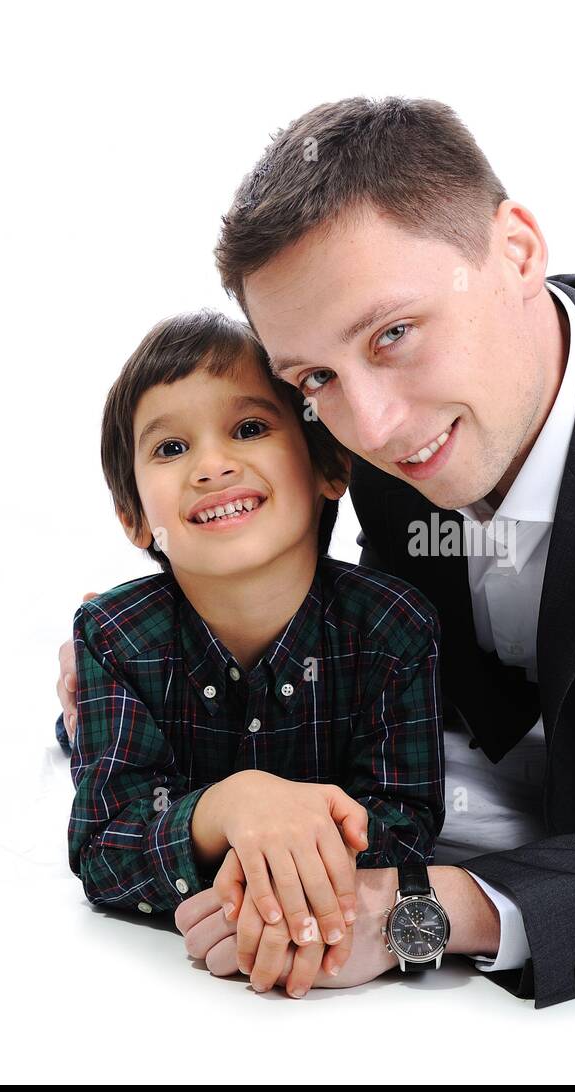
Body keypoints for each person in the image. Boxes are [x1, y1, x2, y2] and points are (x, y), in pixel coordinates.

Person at [57, 97, 575, 1009]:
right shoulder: (372, 425)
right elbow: (328, 629)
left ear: (517, 250)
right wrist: (142, 662)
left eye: (394, 334)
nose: (373, 426)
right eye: (314, 378)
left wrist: (419, 911)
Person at [61, 308, 446, 999]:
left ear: (328, 463)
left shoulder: (394, 628)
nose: (212, 465)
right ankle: (72, 721)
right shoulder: (114, 636)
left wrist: (271, 863)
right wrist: (230, 804)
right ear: (133, 515)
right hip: (134, 711)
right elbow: (101, 850)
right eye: (171, 448)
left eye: (249, 428)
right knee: (77, 726)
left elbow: (407, 824)